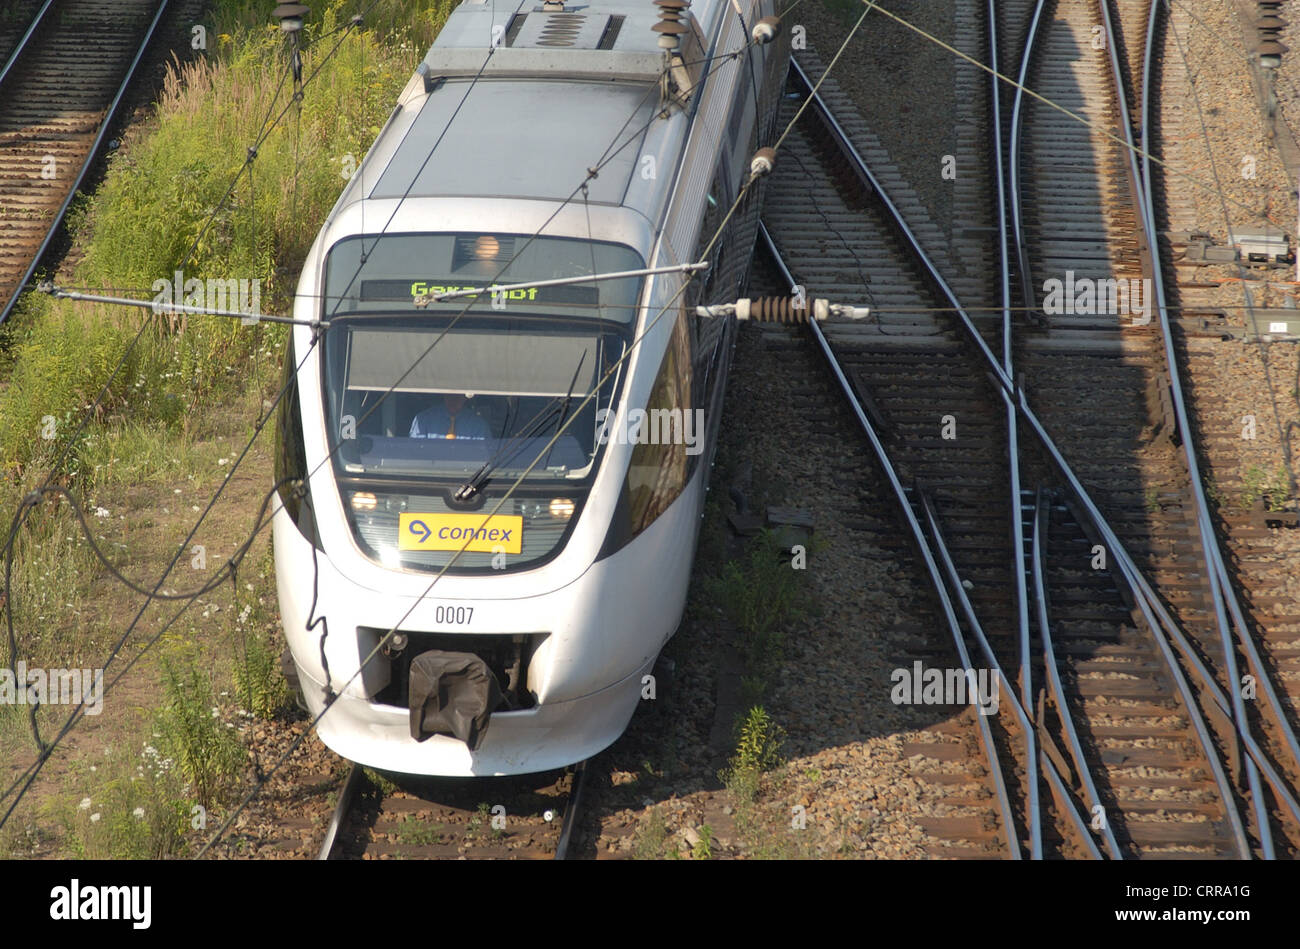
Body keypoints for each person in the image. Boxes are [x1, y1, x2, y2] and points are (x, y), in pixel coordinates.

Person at [409, 393, 490, 440]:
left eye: (458, 396)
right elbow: (415, 452)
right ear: (444, 395)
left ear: (465, 398)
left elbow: (481, 457)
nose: (453, 400)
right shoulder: (423, 419)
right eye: (450, 396)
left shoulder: (478, 425)